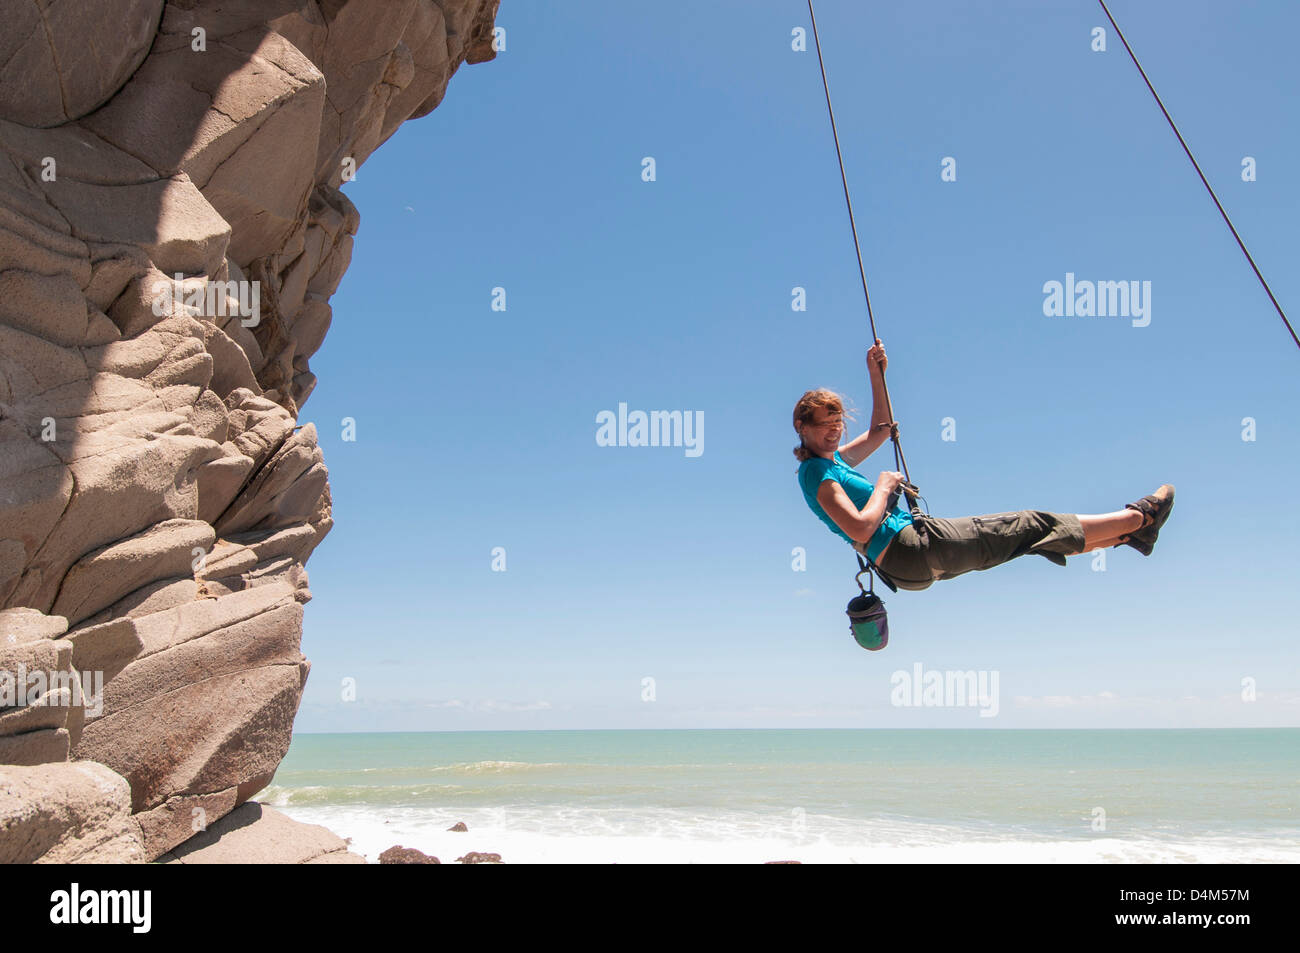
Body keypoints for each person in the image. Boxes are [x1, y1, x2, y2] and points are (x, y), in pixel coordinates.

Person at [793, 339, 1174, 591]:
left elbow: (880, 430)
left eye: (838, 422)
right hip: (908, 548)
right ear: (802, 427)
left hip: (907, 565)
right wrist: (884, 486)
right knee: (1028, 524)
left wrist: (876, 375)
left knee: (1022, 541)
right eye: (824, 424)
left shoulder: (836, 462)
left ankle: (1129, 536)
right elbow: (858, 525)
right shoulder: (816, 472)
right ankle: (1141, 517)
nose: (834, 431)